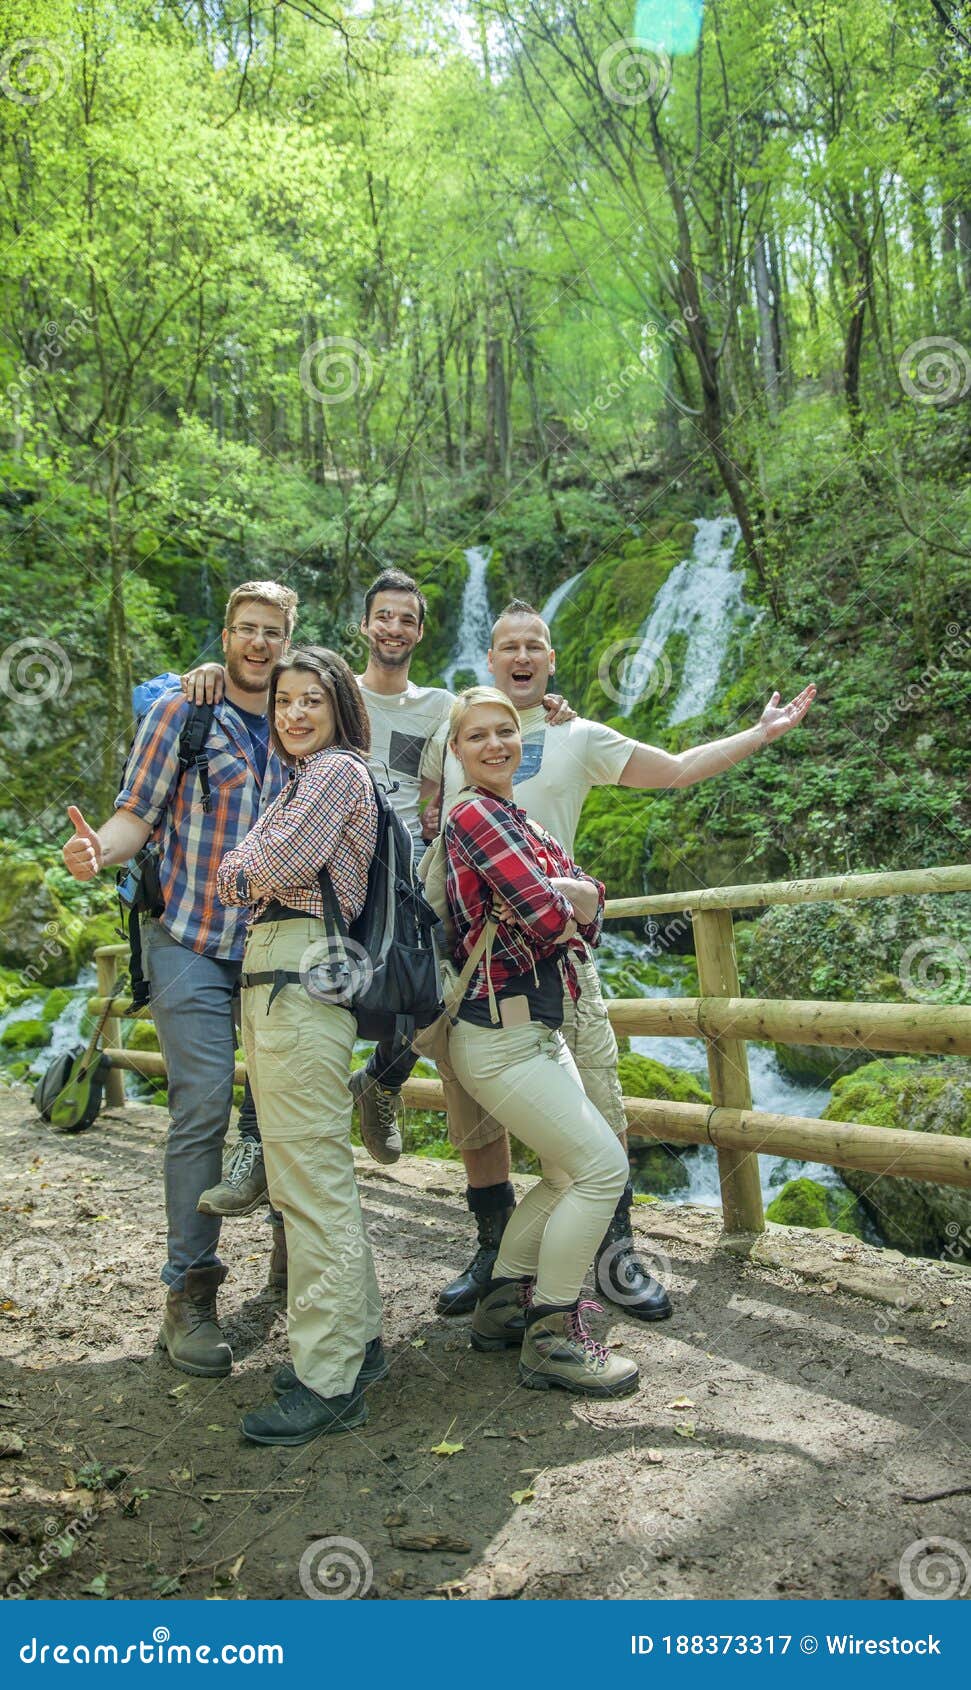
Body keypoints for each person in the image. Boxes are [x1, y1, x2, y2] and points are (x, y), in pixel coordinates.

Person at [432, 600, 817, 1320]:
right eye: (507, 646)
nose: (521, 656)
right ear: (488, 661)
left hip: (563, 966)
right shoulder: (456, 735)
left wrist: (758, 736)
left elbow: (672, 770)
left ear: (550, 660)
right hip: (477, 974)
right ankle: (495, 1261)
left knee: (601, 1109)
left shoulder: (575, 733)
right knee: (477, 1122)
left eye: (534, 646)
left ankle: (613, 1262)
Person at [179, 567, 574, 1168]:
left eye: (407, 619)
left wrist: (545, 705)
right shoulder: (328, 691)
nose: (394, 627)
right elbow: (258, 681)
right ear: (364, 625)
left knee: (426, 989)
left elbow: (490, 725)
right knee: (300, 1000)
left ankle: (381, 1084)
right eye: (383, 615)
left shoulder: (440, 706)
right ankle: (260, 1142)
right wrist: (208, 670)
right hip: (327, 863)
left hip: (408, 871)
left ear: (421, 631)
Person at [61, 581, 299, 1376]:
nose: (258, 644)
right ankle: (189, 1293)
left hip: (276, 945)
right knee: (201, 1104)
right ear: (226, 634)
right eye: (246, 630)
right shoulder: (181, 712)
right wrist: (103, 849)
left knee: (284, 1108)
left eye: (272, 632)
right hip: (187, 938)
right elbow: (137, 812)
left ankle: (294, 1263)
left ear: (287, 640)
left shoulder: (305, 719)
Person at [442, 686, 637, 1397]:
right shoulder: (472, 814)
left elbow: (590, 904)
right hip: (499, 1035)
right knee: (601, 1170)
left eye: (504, 731)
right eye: (476, 737)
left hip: (535, 1026)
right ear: (456, 750)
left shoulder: (514, 816)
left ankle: (501, 1306)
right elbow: (556, 919)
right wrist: (570, 896)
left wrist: (572, 895)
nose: (495, 744)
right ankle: (551, 1334)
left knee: (563, 1175)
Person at [216, 647, 385, 1445]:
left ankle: (328, 1380)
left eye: (310, 699)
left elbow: (270, 864)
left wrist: (235, 869)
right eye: (282, 701)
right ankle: (359, 1342)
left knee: (310, 1183)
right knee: (309, 1174)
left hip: (298, 971)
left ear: (339, 705)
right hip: (291, 975)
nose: (292, 714)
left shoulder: (332, 775)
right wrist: (248, 867)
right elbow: (266, 864)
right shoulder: (305, 778)